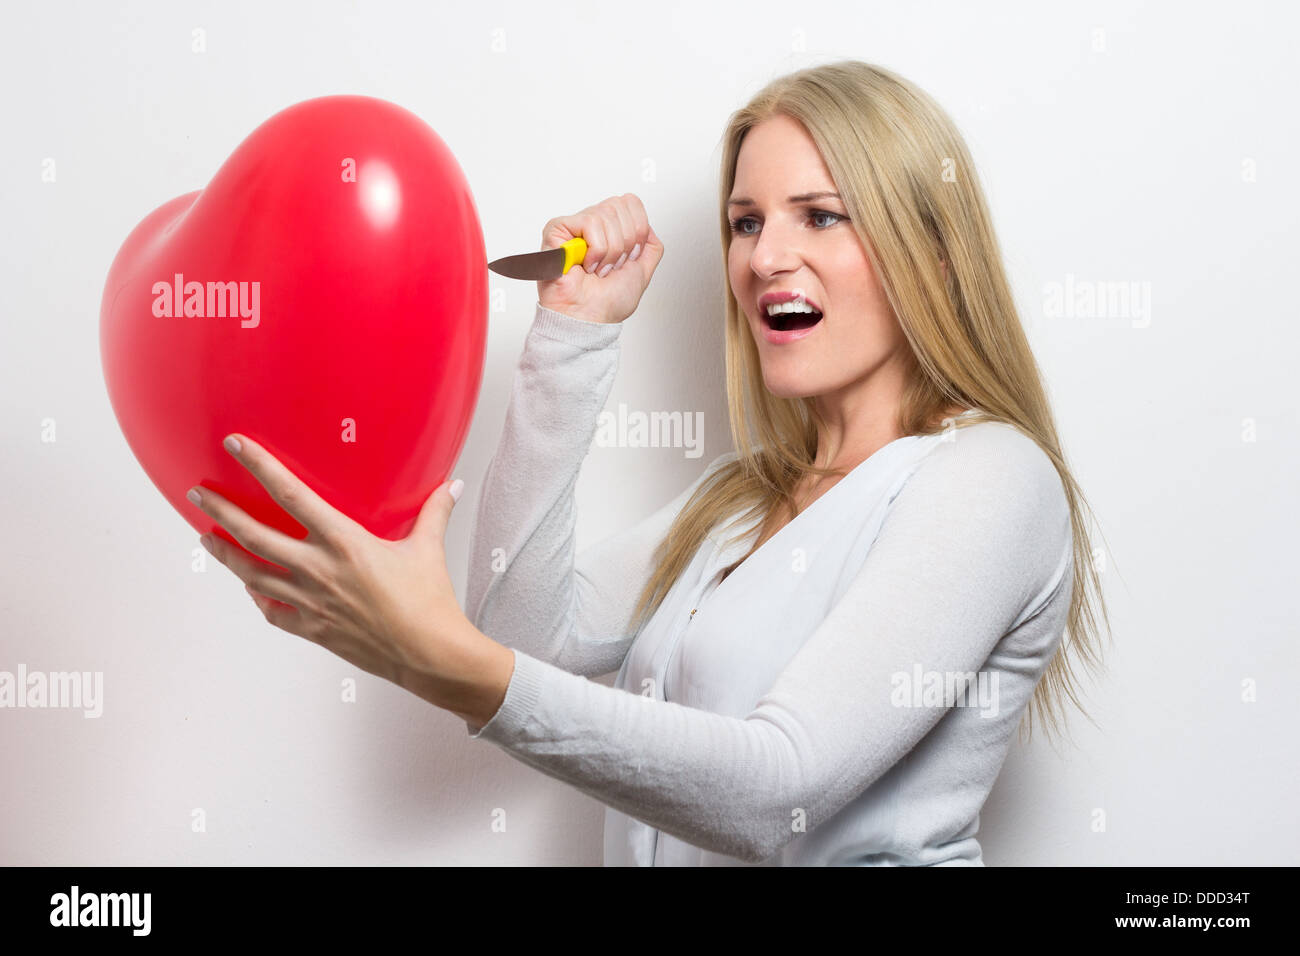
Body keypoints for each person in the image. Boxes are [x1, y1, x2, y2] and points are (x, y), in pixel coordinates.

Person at [461, 60, 1111, 866]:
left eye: (821, 217)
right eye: (745, 222)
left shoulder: (990, 476)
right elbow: (518, 639)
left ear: (934, 254)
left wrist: (443, 664)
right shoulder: (736, 500)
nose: (765, 257)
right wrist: (574, 332)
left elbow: (780, 792)